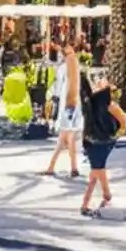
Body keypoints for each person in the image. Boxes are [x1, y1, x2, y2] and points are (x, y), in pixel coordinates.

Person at [80, 77, 126, 217]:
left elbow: (124, 125)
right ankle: (106, 196)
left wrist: (113, 137)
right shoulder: (91, 104)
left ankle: (86, 203)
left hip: (100, 142)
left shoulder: (110, 106)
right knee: (98, 171)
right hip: (94, 142)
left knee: (96, 172)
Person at [43, 41, 82, 178]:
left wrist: (52, 96)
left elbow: (59, 88)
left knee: (67, 135)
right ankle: (60, 166)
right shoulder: (74, 65)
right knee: (66, 136)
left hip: (68, 103)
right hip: (73, 103)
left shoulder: (66, 66)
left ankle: (67, 167)